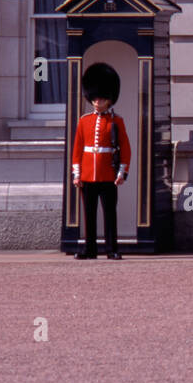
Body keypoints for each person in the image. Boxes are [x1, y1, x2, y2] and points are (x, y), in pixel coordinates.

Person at [71, 62, 131, 260]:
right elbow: (78, 149)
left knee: (109, 214)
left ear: (109, 99)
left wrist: (122, 173)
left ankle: (111, 249)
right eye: (95, 98)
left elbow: (126, 148)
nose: (98, 102)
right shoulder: (83, 120)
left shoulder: (117, 121)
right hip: (88, 174)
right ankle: (90, 249)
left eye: (102, 98)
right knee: (89, 214)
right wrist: (77, 175)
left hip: (107, 174)